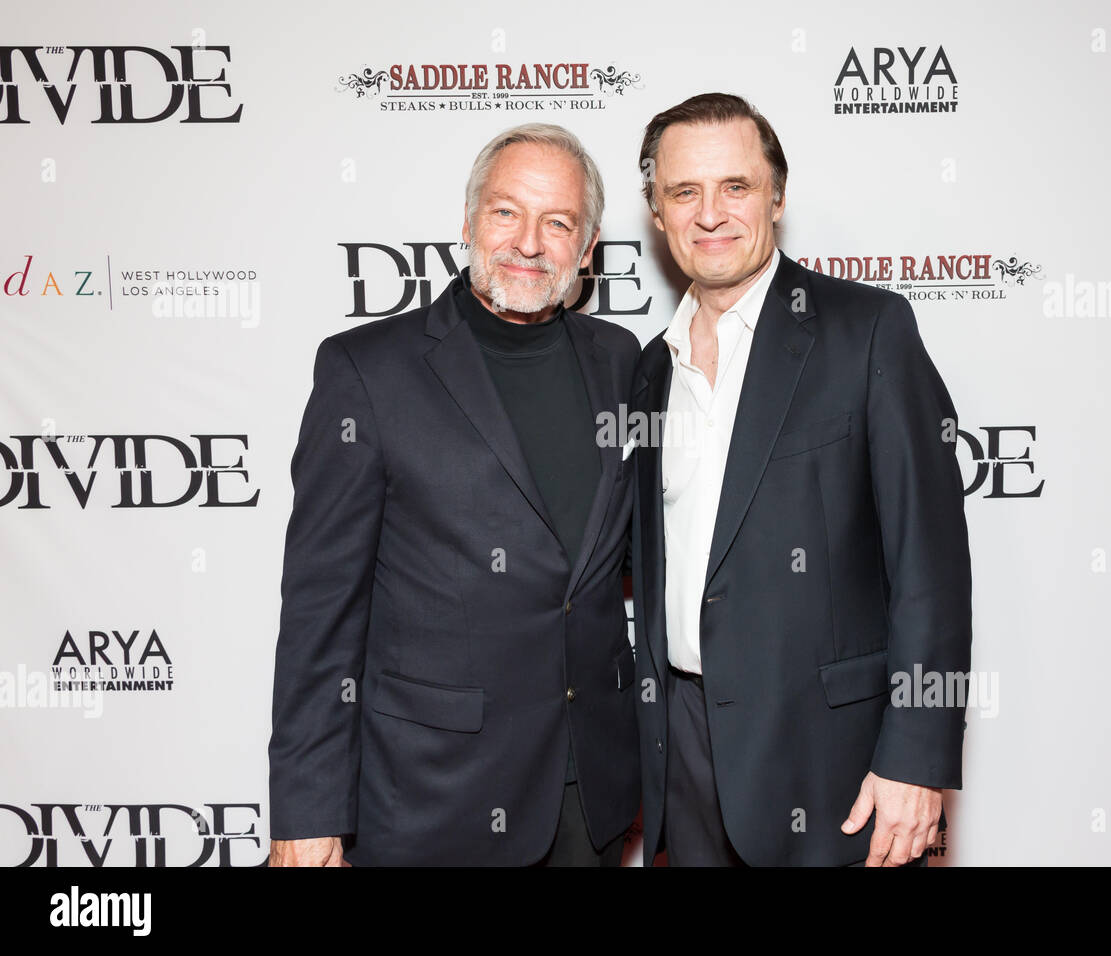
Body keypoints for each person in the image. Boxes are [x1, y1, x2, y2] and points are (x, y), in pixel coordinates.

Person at [268, 123, 640, 866]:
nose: (528, 242)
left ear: (588, 247)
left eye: (558, 222)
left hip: (587, 801)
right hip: (432, 802)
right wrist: (307, 815)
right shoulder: (368, 373)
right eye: (506, 212)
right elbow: (321, 612)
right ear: (468, 222)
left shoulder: (621, 362)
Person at [628, 93, 973, 866]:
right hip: (683, 759)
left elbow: (932, 566)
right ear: (658, 212)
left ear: (777, 198)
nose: (710, 213)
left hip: (835, 765)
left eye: (736, 187)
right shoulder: (650, 370)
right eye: (684, 192)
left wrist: (916, 759)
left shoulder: (866, 331)